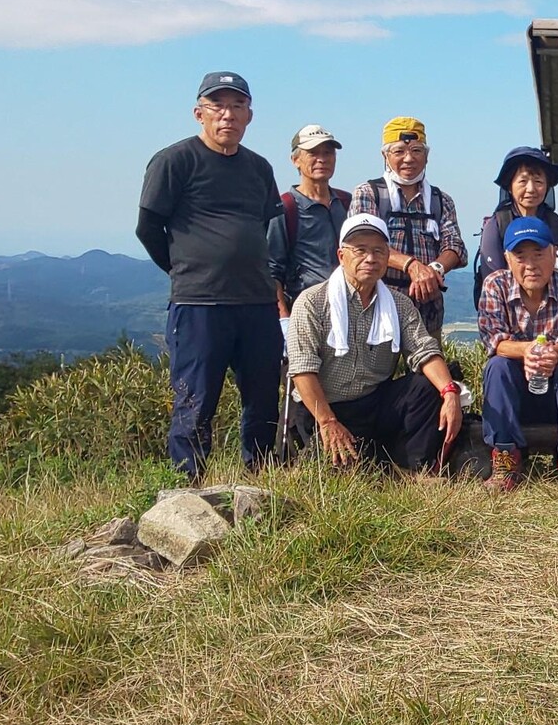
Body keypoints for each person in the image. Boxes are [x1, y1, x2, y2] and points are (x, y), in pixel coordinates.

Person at [136, 71, 283, 481]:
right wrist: (185, 270)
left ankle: (260, 479)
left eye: (237, 106)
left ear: (249, 115)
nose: (227, 115)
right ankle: (188, 487)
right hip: (199, 303)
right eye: (217, 106)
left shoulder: (259, 168)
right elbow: (148, 228)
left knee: (263, 399)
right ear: (199, 113)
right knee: (195, 401)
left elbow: (263, 227)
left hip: (256, 302)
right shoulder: (174, 161)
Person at [285, 213, 465, 472]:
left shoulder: (399, 304)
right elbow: (303, 370)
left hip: (373, 402)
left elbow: (424, 350)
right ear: (341, 256)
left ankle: (414, 468)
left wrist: (450, 392)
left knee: (426, 386)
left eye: (379, 251)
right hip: (322, 408)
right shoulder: (312, 302)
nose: (370, 258)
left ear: (387, 257)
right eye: (360, 250)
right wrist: (327, 422)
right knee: (337, 473)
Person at [477, 216, 558, 489]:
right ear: (508, 259)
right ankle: (505, 457)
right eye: (520, 256)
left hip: (557, 389)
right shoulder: (495, 285)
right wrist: (527, 351)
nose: (530, 265)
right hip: (516, 391)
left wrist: (552, 354)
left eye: (539, 254)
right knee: (498, 366)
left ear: (554, 254)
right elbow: (494, 340)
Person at [349, 117, 465, 339]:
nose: (408, 158)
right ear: (385, 156)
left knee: (429, 360)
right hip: (377, 304)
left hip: (428, 308)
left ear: (427, 156)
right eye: (399, 151)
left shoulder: (441, 200)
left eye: (416, 150)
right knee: (377, 362)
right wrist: (411, 266)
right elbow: (363, 245)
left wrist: (435, 269)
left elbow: (455, 246)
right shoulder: (368, 194)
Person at [269, 124, 353, 315]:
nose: (322, 159)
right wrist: (283, 317)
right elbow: (272, 269)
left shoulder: (346, 202)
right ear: (295, 160)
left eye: (328, 152)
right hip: (305, 309)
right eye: (313, 153)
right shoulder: (285, 207)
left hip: (349, 307)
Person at [474, 146, 558, 299]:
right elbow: (493, 281)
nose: (531, 189)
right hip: (505, 307)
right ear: (510, 186)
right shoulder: (497, 225)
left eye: (538, 181)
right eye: (523, 181)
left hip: (555, 308)